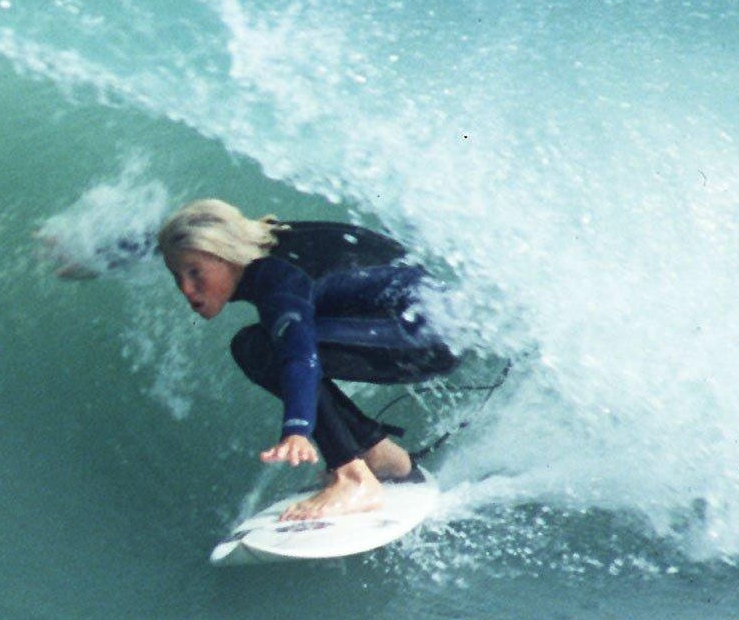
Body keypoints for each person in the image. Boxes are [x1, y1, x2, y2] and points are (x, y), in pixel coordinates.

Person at [48, 198, 458, 520]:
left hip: (424, 336)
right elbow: (174, 242)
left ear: (224, 256)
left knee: (262, 347)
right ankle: (381, 457)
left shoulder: (280, 282)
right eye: (179, 277)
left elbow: (299, 355)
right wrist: (97, 256)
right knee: (257, 344)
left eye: (195, 274)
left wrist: (298, 429)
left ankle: (353, 477)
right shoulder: (256, 240)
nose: (187, 290)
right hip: (420, 318)